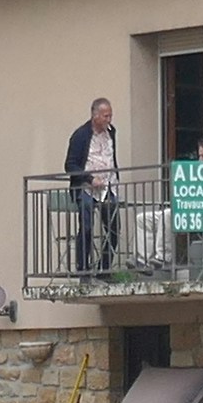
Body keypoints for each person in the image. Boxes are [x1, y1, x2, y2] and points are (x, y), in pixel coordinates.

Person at [65, 95, 121, 277]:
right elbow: (70, 165)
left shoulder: (111, 132)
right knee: (87, 226)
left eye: (110, 116)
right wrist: (89, 179)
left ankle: (105, 267)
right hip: (86, 189)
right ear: (95, 115)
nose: (109, 120)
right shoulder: (80, 135)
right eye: (105, 116)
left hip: (108, 187)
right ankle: (83, 268)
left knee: (114, 228)